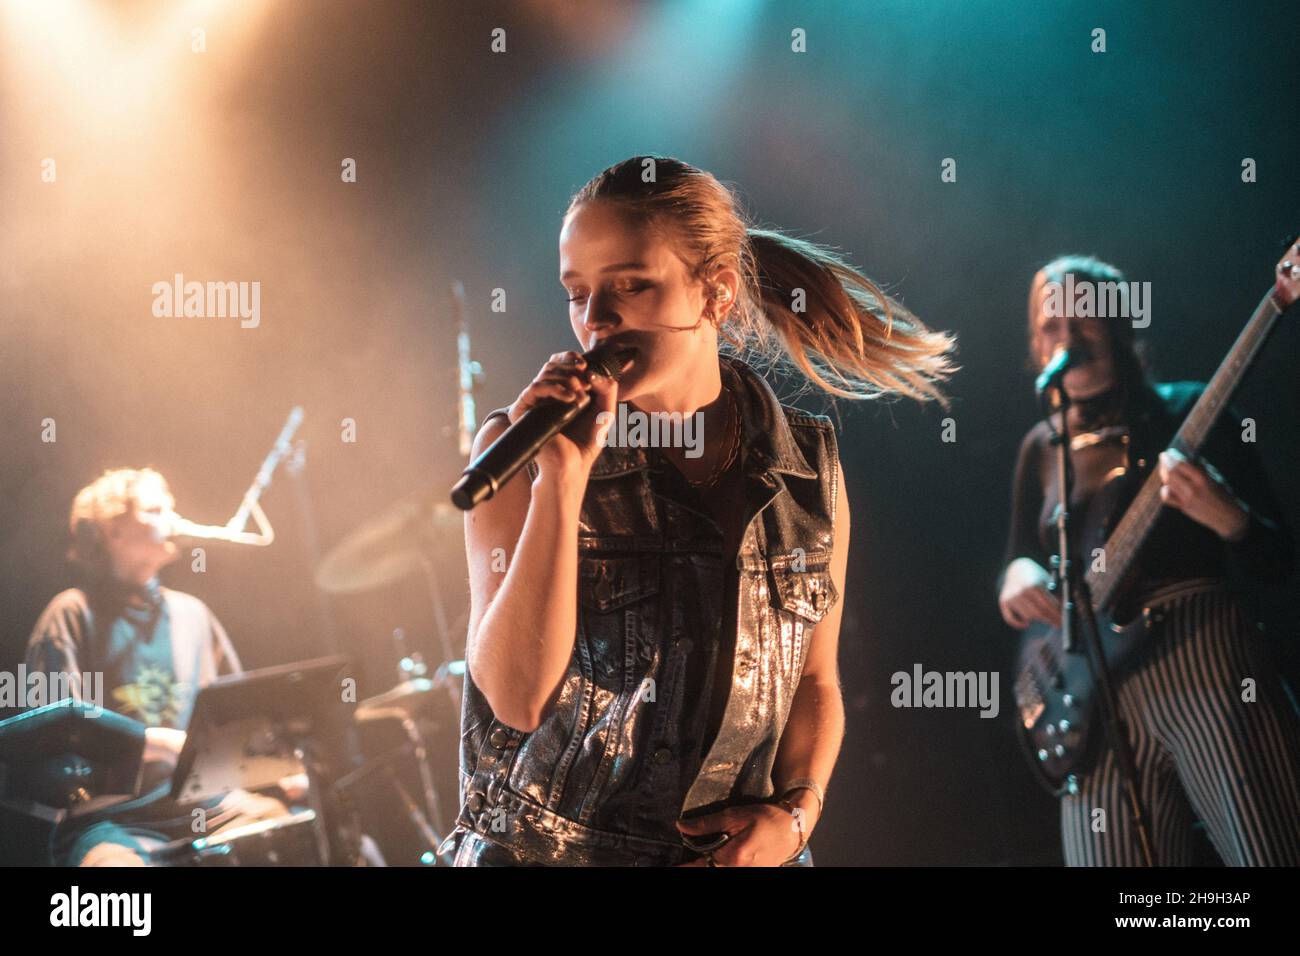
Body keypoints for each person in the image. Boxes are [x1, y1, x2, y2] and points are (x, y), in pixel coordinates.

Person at [443, 155, 956, 866]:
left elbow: (815, 683)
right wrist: (561, 479)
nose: (596, 319)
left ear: (714, 295)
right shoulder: (522, 450)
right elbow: (517, 699)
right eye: (577, 292)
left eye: (631, 286)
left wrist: (797, 818)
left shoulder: (809, 467)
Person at [998, 254, 1300, 866]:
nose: (1068, 338)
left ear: (1120, 326)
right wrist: (1018, 574)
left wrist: (1229, 518)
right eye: (1052, 327)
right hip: (1089, 694)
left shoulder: (1191, 409)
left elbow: (1280, 561)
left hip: (1202, 654)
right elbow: (1022, 558)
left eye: (1085, 321)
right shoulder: (1041, 448)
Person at [25, 467, 299, 866]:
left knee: (296, 835)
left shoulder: (194, 614)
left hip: (212, 809)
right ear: (111, 530)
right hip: (111, 821)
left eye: (171, 507)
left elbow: (238, 719)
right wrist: (158, 744)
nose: (173, 519)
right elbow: (59, 740)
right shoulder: (71, 613)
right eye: (155, 510)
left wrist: (280, 770)